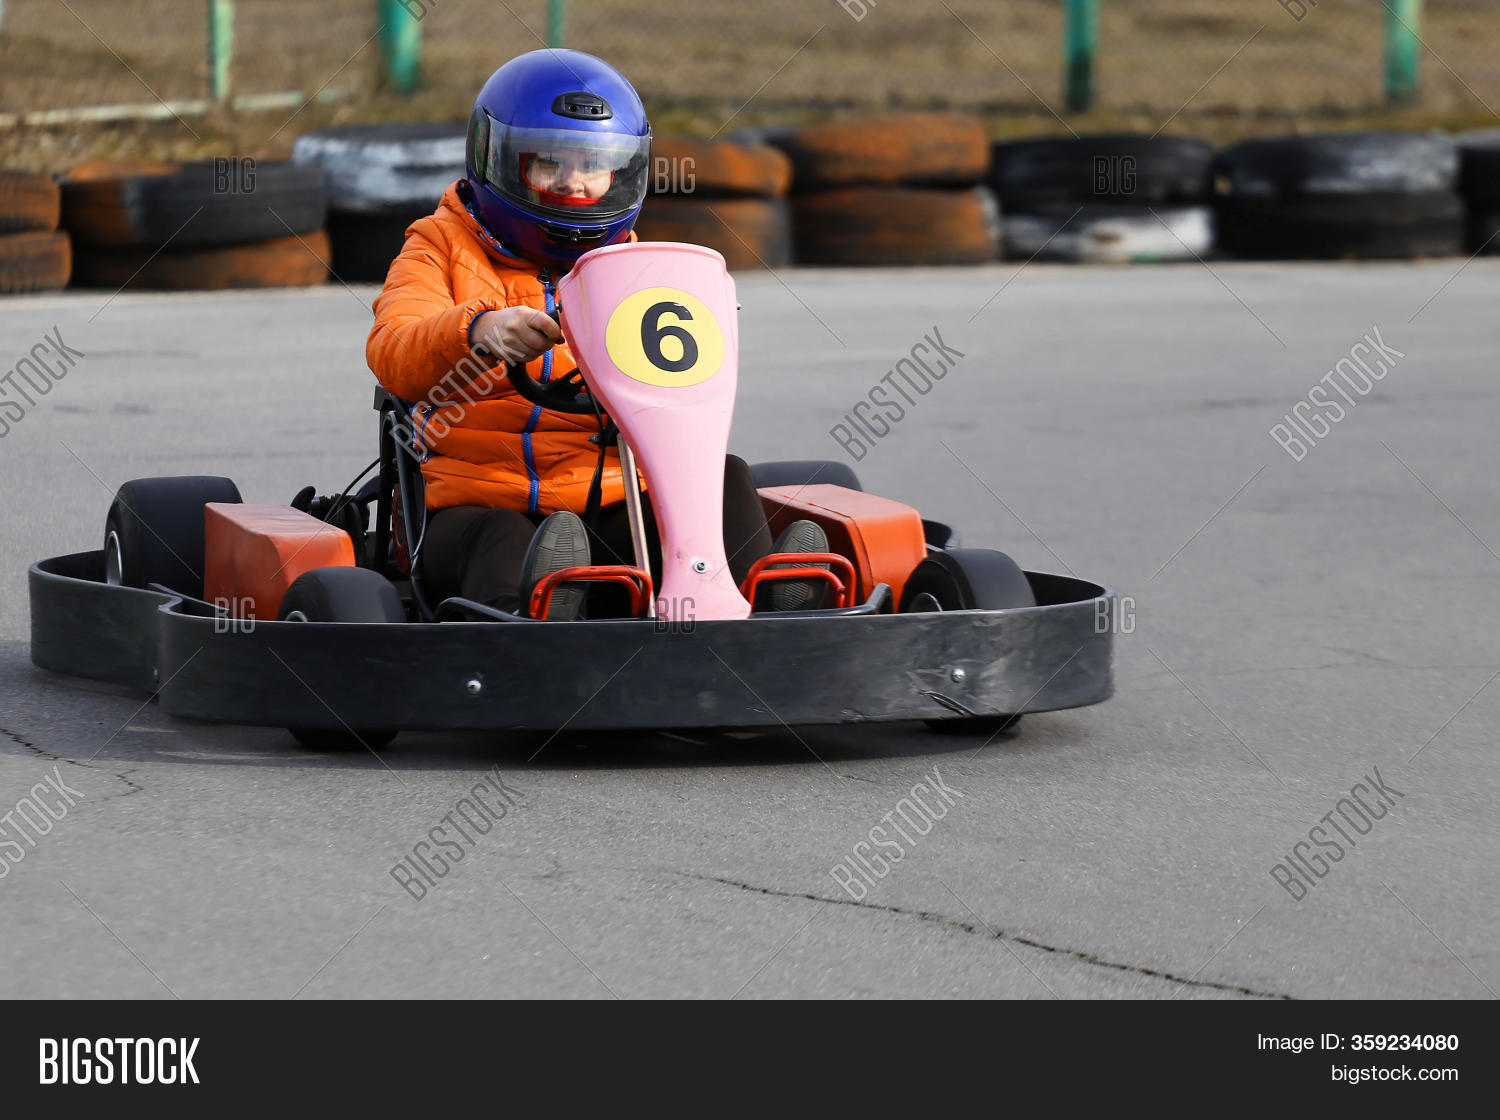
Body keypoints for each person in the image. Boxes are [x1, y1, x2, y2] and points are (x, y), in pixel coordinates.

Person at [367, 49, 826, 619]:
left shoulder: (634, 267)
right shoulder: (439, 248)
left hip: (612, 500)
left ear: (622, 172)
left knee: (724, 478)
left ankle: (770, 609)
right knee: (505, 537)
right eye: (549, 164)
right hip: (479, 502)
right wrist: (478, 329)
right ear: (500, 162)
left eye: (592, 165)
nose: (574, 185)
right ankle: (533, 624)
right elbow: (394, 351)